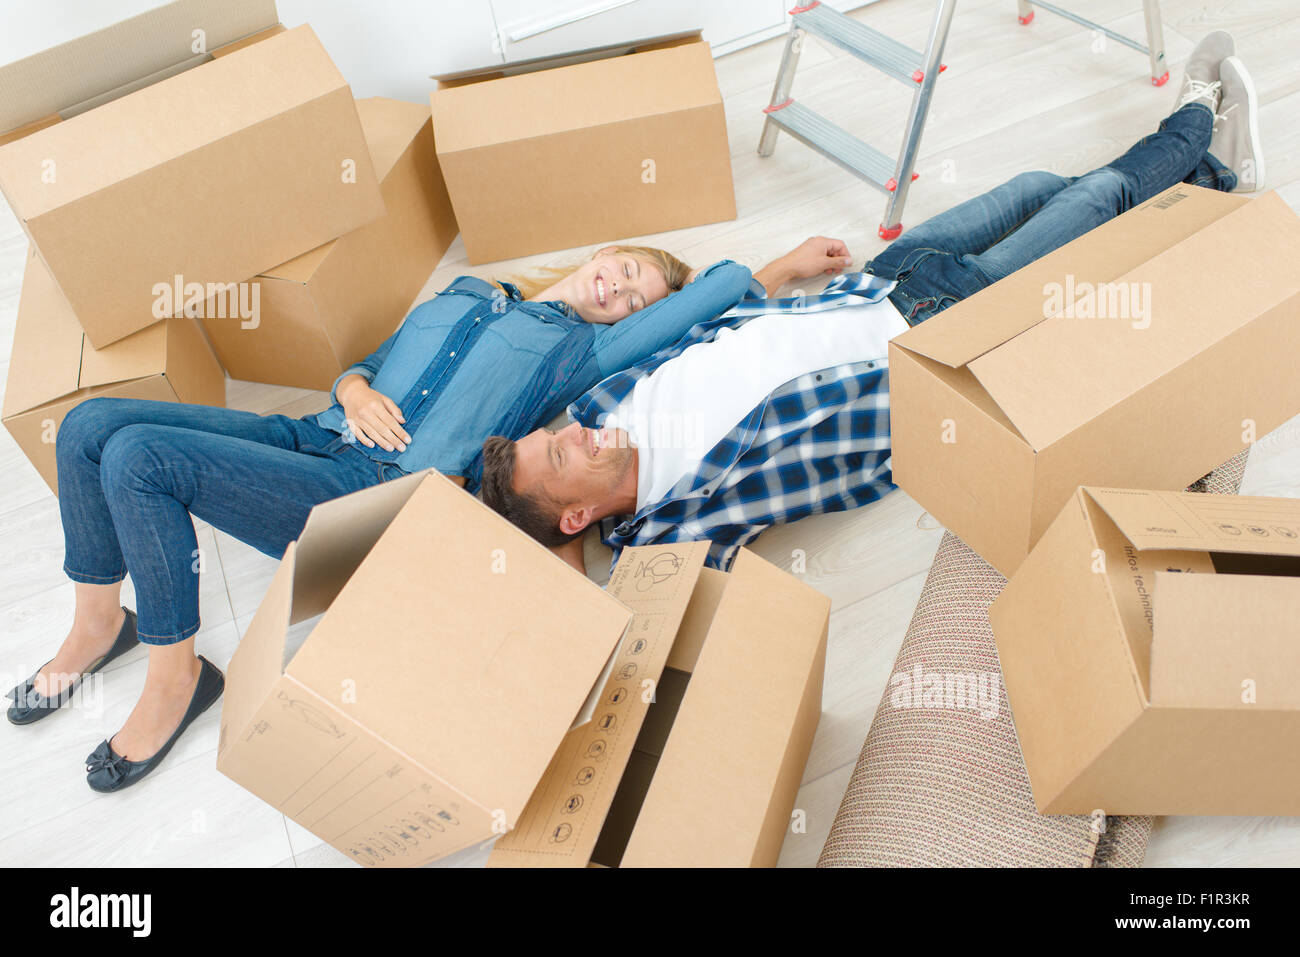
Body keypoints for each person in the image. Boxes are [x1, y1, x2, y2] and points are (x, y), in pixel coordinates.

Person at [8, 237, 847, 792]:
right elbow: (371, 358)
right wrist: (354, 386)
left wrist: (783, 268)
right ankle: (97, 625)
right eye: (627, 267)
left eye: (637, 297)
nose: (622, 289)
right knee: (87, 424)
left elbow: (696, 310)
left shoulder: (577, 349)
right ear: (603, 251)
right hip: (315, 431)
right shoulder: (469, 289)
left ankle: (178, 679)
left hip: (368, 498)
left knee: (138, 458)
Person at [482, 34, 1261, 576]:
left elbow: (689, 327)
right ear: (577, 520)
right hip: (939, 337)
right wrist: (559, 549)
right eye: (560, 456)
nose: (575, 435)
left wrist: (783, 271)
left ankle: (1215, 182)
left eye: (559, 437)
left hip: (884, 279)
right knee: (1100, 196)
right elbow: (644, 628)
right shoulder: (674, 529)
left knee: (1038, 188)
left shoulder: (603, 400)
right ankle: (1198, 118)